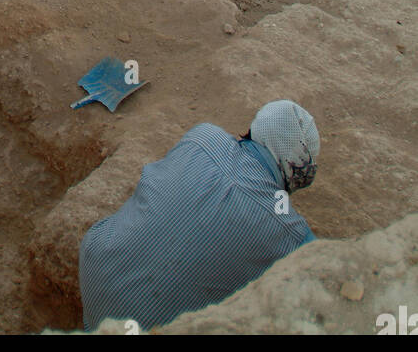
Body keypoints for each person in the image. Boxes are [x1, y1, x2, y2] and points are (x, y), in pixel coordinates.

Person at [80, 100, 319, 333]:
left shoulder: (204, 137)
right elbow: (321, 278)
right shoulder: (293, 236)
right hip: (149, 324)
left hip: (97, 271)